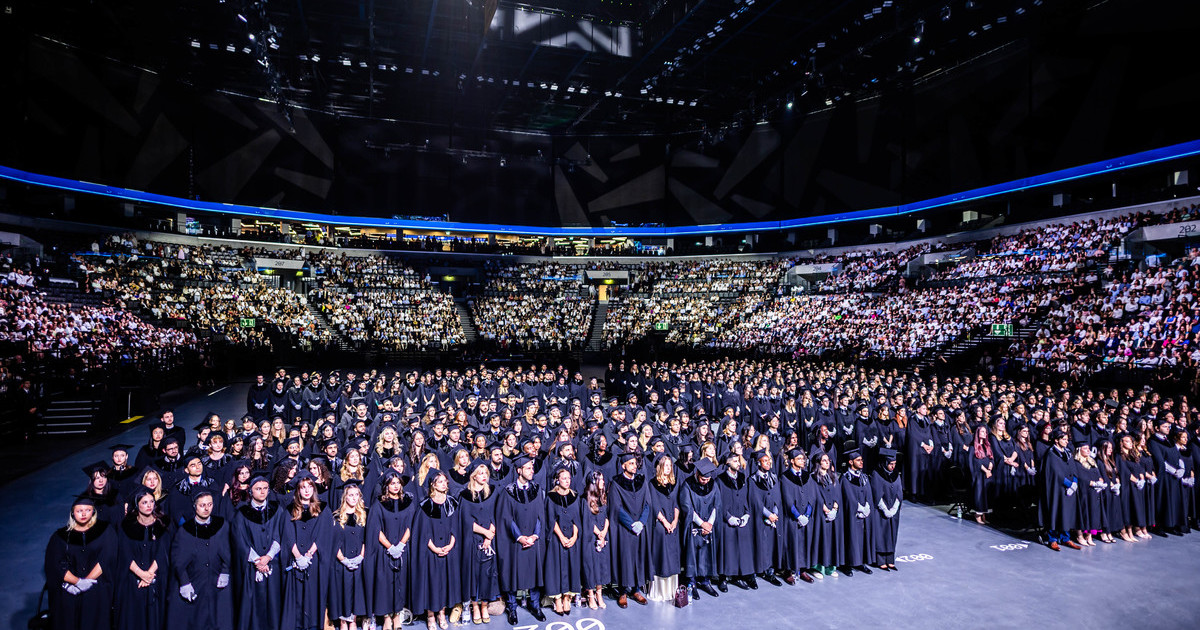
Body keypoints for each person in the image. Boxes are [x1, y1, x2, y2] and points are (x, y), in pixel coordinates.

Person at [44, 495, 117, 630]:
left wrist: (86, 582)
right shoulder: (60, 536)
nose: (83, 514)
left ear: (93, 511)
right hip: (70, 588)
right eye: (79, 511)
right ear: (72, 513)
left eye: (87, 510)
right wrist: (77, 582)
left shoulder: (105, 531)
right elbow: (55, 564)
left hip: (96, 585)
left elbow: (107, 558)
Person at [165, 491, 234, 630]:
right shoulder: (185, 530)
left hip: (217, 582)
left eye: (209, 504)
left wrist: (225, 571)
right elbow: (178, 559)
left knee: (220, 620)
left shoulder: (222, 525)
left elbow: (230, 550)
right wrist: (184, 583)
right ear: (195, 507)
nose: (207, 508)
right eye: (202, 505)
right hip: (195, 581)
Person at [496, 454, 547, 624]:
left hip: (533, 539)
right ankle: (512, 607)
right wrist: (519, 537)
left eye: (532, 468)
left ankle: (534, 605)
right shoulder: (508, 491)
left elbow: (541, 515)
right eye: (528, 468)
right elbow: (506, 518)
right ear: (519, 471)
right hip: (516, 542)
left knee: (534, 572)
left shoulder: (537, 490)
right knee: (512, 572)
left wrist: (534, 535)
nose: (531, 471)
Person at [279, 471, 333, 630]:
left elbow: (323, 534)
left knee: (312, 596)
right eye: (303, 487)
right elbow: (287, 535)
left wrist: (308, 555)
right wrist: (297, 556)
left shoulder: (323, 509)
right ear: (298, 490)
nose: (307, 490)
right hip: (295, 561)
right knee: (296, 598)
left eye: (310, 486)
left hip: (313, 560)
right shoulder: (289, 509)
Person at [230, 475, 285, 630]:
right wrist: (257, 561)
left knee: (274, 606)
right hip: (251, 567)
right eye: (258, 489)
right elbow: (239, 540)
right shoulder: (241, 513)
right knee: (252, 607)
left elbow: (280, 535)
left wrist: (267, 557)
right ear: (251, 490)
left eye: (265, 488)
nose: (262, 492)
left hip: (272, 565)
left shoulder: (277, 510)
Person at [113, 488, 171, 630]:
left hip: (156, 578)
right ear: (137, 504)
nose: (149, 505)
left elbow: (163, 551)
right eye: (144, 502)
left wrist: (149, 575)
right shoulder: (126, 526)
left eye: (151, 501)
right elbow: (125, 553)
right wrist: (141, 574)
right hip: (132, 580)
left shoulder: (162, 524)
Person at [410, 470, 460, 630]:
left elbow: (456, 528)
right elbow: (422, 532)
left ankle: (441, 613)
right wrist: (434, 548)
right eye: (440, 482)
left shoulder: (452, 503)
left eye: (445, 481)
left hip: (448, 550)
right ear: (432, 484)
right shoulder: (425, 505)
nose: (444, 484)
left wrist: (451, 545)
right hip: (431, 552)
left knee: (445, 582)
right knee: (432, 583)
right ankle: (431, 616)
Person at [366, 470, 415, 630]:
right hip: (384, 552)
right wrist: (390, 546)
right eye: (392, 483)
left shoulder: (408, 502)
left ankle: (397, 616)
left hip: (402, 550)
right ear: (386, 485)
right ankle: (386, 617)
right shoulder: (379, 503)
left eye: (398, 483)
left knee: (400, 582)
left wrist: (401, 545)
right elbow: (375, 529)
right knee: (384, 584)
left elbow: (411, 526)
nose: (395, 486)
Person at [458, 460, 500, 624]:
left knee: (488, 573)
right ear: (473, 476)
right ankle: (475, 606)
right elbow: (466, 520)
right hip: (473, 539)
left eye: (486, 474)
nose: (484, 477)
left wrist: (490, 535)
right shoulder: (465, 495)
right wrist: (485, 533)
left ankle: (484, 605)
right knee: (474, 573)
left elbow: (497, 514)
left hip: (490, 538)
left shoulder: (492, 492)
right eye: (481, 473)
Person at [608, 450, 652, 607]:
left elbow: (647, 503)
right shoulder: (616, 483)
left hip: (640, 527)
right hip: (625, 529)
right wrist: (631, 524)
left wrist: (641, 522)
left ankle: (636, 590)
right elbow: (616, 507)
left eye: (635, 463)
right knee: (625, 559)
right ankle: (623, 592)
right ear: (623, 466)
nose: (635, 466)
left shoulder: (641, 480)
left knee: (638, 558)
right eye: (631, 463)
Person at [544, 465, 582, 615]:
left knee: (572, 567)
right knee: (556, 569)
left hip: (572, 539)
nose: (567, 481)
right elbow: (551, 520)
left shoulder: (575, 496)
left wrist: (574, 536)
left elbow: (577, 520)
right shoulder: (551, 497)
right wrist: (561, 537)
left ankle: (567, 598)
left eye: (569, 478)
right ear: (557, 480)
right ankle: (557, 600)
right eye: (564, 478)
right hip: (556, 539)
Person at [330, 483, 369, 630]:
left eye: (356, 495)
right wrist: (344, 560)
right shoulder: (335, 516)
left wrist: (360, 556)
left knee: (357, 592)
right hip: (341, 563)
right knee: (343, 591)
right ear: (345, 496)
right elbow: (333, 542)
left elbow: (366, 539)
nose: (353, 498)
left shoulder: (364, 515)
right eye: (350, 495)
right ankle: (343, 622)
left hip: (359, 562)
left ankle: (352, 620)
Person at [717, 449, 755, 589]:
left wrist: (746, 514)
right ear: (727, 463)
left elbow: (746, 497)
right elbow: (718, 502)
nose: (738, 463)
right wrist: (728, 517)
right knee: (727, 549)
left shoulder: (742, 478)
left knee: (741, 549)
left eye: (738, 461)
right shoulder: (720, 480)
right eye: (734, 461)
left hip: (741, 517)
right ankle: (723, 578)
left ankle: (739, 576)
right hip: (727, 520)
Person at [777, 449, 816, 584]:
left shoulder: (807, 476)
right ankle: (789, 571)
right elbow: (787, 499)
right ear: (792, 461)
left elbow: (812, 496)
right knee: (791, 543)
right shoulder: (785, 477)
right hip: (792, 518)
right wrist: (798, 516)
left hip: (806, 517)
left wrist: (807, 514)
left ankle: (803, 570)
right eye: (799, 459)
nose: (802, 461)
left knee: (805, 542)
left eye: (803, 459)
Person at [647, 454, 682, 601]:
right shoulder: (652, 483)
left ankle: (671, 590)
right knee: (662, 553)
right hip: (660, 524)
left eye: (670, 465)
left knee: (673, 553)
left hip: (672, 522)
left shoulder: (674, 482)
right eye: (666, 465)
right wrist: (665, 522)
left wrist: (674, 520)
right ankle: (660, 591)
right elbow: (654, 505)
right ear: (660, 466)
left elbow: (676, 503)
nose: (668, 468)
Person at [1040, 429, 1081, 551]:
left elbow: (1074, 468)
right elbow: (1055, 473)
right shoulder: (1051, 453)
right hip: (1057, 489)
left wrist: (1075, 482)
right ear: (1056, 440)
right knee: (1056, 511)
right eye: (1063, 439)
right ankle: (1053, 539)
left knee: (1066, 513)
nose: (1066, 441)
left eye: (1067, 439)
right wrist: (1068, 484)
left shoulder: (1068, 452)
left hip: (1069, 489)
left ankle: (1065, 538)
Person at [747, 450, 783, 586]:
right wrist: (768, 514)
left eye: (769, 460)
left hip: (773, 517)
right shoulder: (752, 479)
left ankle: (770, 572)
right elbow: (755, 500)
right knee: (759, 543)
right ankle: (755, 572)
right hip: (760, 517)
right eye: (765, 461)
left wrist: (775, 512)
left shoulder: (774, 477)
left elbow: (777, 496)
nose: (769, 463)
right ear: (758, 463)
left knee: (771, 545)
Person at [579, 471, 611, 610]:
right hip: (590, 538)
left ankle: (599, 594)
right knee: (591, 567)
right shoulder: (584, 500)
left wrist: (604, 533)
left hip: (602, 536)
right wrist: (598, 533)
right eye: (601, 480)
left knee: (602, 566)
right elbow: (587, 521)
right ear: (594, 482)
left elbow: (607, 517)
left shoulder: (603, 497)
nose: (603, 482)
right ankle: (591, 595)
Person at [840, 448, 875, 575]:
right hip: (852, 515)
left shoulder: (864, 477)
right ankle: (848, 564)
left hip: (864, 514)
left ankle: (860, 562)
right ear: (850, 462)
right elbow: (848, 497)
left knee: (863, 538)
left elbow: (869, 494)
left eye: (861, 460)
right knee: (851, 537)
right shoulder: (845, 479)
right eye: (858, 460)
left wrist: (867, 507)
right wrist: (859, 508)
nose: (861, 462)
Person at [811, 452, 844, 576]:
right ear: (818, 463)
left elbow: (837, 492)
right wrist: (825, 509)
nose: (827, 462)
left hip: (833, 512)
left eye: (828, 460)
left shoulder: (833, 476)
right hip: (821, 513)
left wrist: (835, 508)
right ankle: (818, 568)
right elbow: (816, 495)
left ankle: (831, 567)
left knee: (832, 539)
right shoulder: (813, 477)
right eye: (824, 460)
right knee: (821, 539)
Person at [870, 449, 903, 570]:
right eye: (890, 464)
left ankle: (890, 559)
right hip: (881, 511)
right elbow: (876, 492)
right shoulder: (876, 474)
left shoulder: (896, 475)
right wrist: (885, 509)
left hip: (894, 511)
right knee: (881, 534)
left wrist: (894, 508)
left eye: (894, 464)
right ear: (884, 462)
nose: (893, 466)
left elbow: (899, 492)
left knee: (891, 534)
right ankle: (880, 560)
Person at [969, 425, 995, 525]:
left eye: (985, 432)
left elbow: (991, 458)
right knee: (979, 492)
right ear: (978, 433)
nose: (984, 433)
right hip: (979, 474)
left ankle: (984, 513)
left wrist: (990, 468)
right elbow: (975, 461)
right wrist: (985, 470)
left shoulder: (987, 445)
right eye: (982, 431)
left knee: (987, 493)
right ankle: (978, 514)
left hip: (987, 473)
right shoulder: (973, 446)